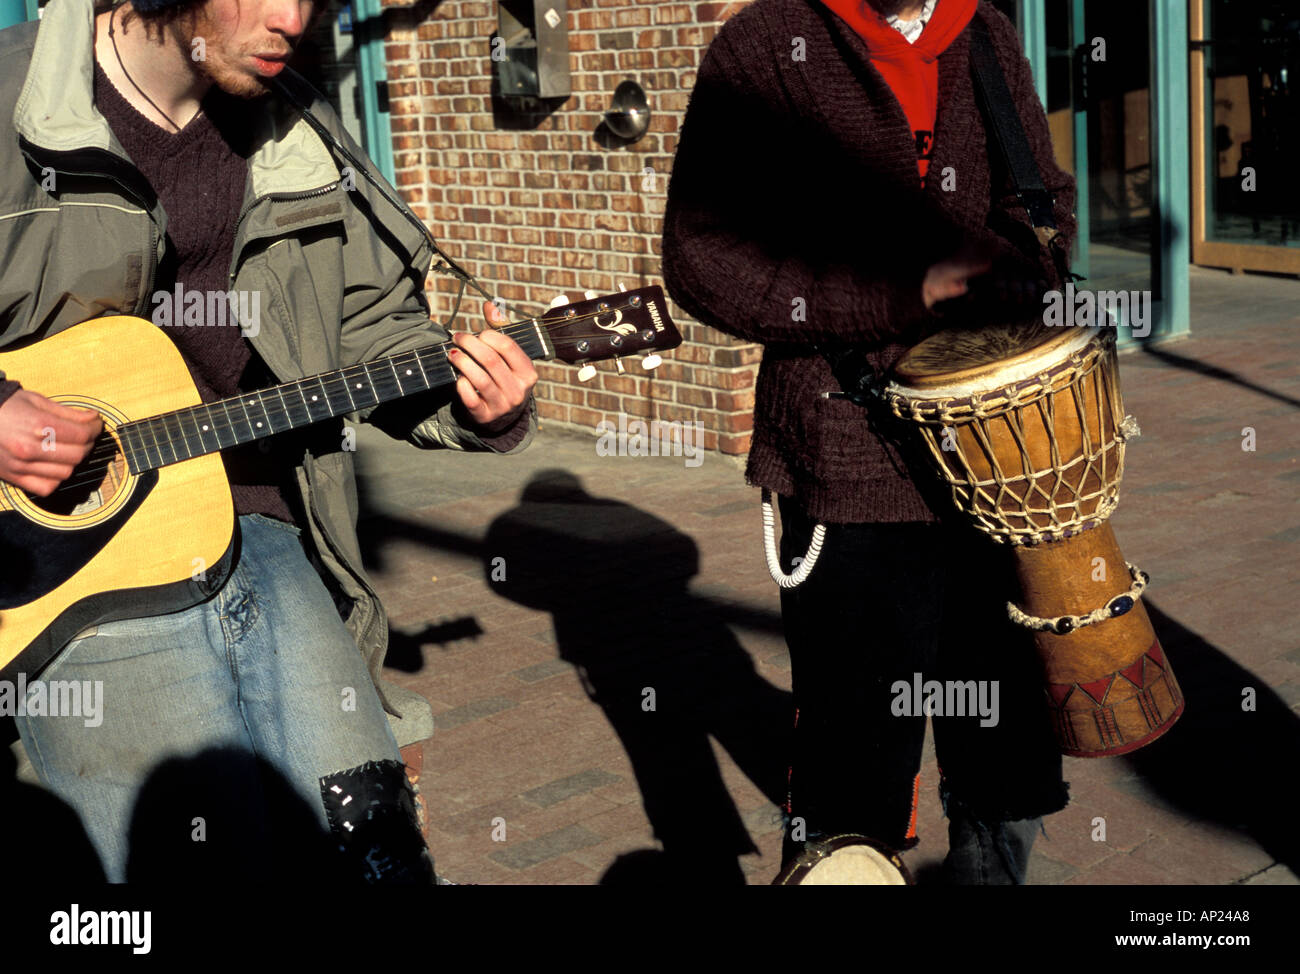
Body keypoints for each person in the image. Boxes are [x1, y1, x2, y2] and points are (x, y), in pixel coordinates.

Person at [0, 0, 538, 882]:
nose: (294, 15)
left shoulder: (302, 127)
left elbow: (368, 325)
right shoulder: (11, 98)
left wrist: (474, 400)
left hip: (271, 528)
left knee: (377, 854)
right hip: (73, 572)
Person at [663, 0, 1077, 883]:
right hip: (844, 457)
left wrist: (1015, 277)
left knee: (1003, 751)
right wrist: (893, 298)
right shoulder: (767, 43)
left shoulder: (988, 33)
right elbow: (702, 254)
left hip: (1002, 454)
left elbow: (1041, 204)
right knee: (851, 768)